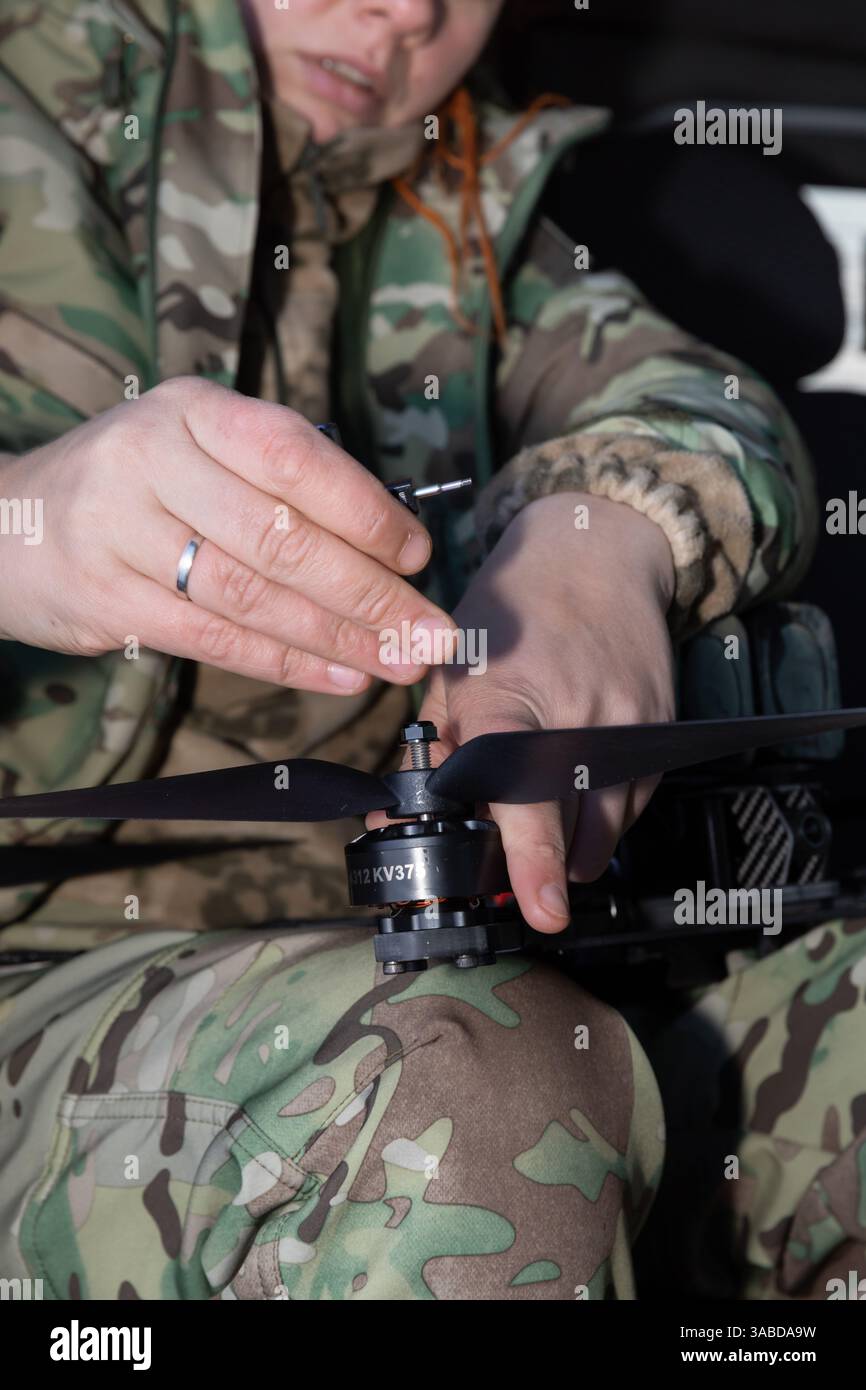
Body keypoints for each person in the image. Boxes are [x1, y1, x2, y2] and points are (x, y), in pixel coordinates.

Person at [0, 0, 850, 1302]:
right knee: (467, 1088)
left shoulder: (463, 204)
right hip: (48, 984)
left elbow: (704, 402)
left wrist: (606, 539)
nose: (403, 10)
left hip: (434, 952)